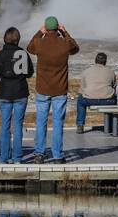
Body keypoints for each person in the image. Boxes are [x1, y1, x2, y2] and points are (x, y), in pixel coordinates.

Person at [26, 16, 79, 162]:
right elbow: (75, 48)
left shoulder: (40, 43)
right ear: (57, 28)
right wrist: (65, 32)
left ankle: (39, 154)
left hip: (43, 88)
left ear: (46, 28)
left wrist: (39, 32)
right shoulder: (64, 43)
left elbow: (29, 48)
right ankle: (57, 155)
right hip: (60, 89)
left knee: (41, 121)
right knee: (57, 123)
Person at [0, 26, 32, 163]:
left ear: (5, 39)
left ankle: (3, 157)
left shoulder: (0, 54)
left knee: (5, 125)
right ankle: (17, 157)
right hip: (20, 91)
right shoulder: (24, 53)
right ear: (18, 39)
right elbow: (30, 73)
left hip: (5, 92)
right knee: (18, 125)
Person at [76, 52, 117, 133]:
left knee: (80, 101)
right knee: (114, 99)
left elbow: (82, 88)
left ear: (95, 60)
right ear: (105, 61)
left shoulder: (86, 71)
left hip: (89, 99)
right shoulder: (111, 72)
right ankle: (111, 125)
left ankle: (80, 125)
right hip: (107, 100)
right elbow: (113, 86)